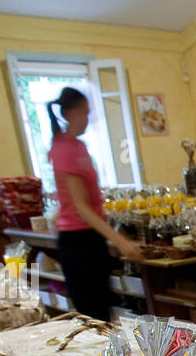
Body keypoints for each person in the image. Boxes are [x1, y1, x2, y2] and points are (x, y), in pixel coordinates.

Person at [46, 87, 140, 322]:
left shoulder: (79, 146)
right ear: (68, 113)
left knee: (103, 309)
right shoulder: (63, 149)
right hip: (77, 243)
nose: (87, 119)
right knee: (93, 315)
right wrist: (120, 241)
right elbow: (81, 207)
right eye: (83, 113)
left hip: (91, 239)